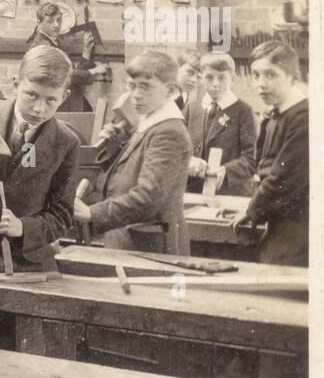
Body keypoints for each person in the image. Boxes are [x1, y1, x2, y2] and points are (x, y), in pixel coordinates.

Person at [0, 44, 82, 273]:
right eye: (31, 95)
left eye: (51, 100)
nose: (39, 109)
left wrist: (22, 227)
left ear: (65, 96)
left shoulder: (67, 142)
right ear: (16, 83)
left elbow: (62, 215)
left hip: (25, 262)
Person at [74, 50, 191, 254]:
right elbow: (122, 176)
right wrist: (115, 144)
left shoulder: (168, 132)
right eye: (132, 86)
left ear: (171, 90)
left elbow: (147, 198)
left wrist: (92, 213)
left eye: (145, 87)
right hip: (131, 240)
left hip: (152, 249)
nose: (135, 95)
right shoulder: (148, 121)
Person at [240, 41, 309, 266]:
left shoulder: (303, 117)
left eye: (271, 75)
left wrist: (252, 209)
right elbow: (263, 166)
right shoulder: (277, 113)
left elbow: (282, 176)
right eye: (256, 75)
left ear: (292, 77)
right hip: (278, 220)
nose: (261, 84)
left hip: (299, 228)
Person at [184, 51, 257, 195]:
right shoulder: (192, 108)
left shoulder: (243, 111)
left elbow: (250, 159)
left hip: (227, 191)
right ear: (201, 79)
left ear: (233, 79)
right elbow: (175, 146)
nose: (215, 84)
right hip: (192, 191)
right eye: (209, 77)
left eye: (222, 78)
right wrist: (188, 160)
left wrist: (226, 170)